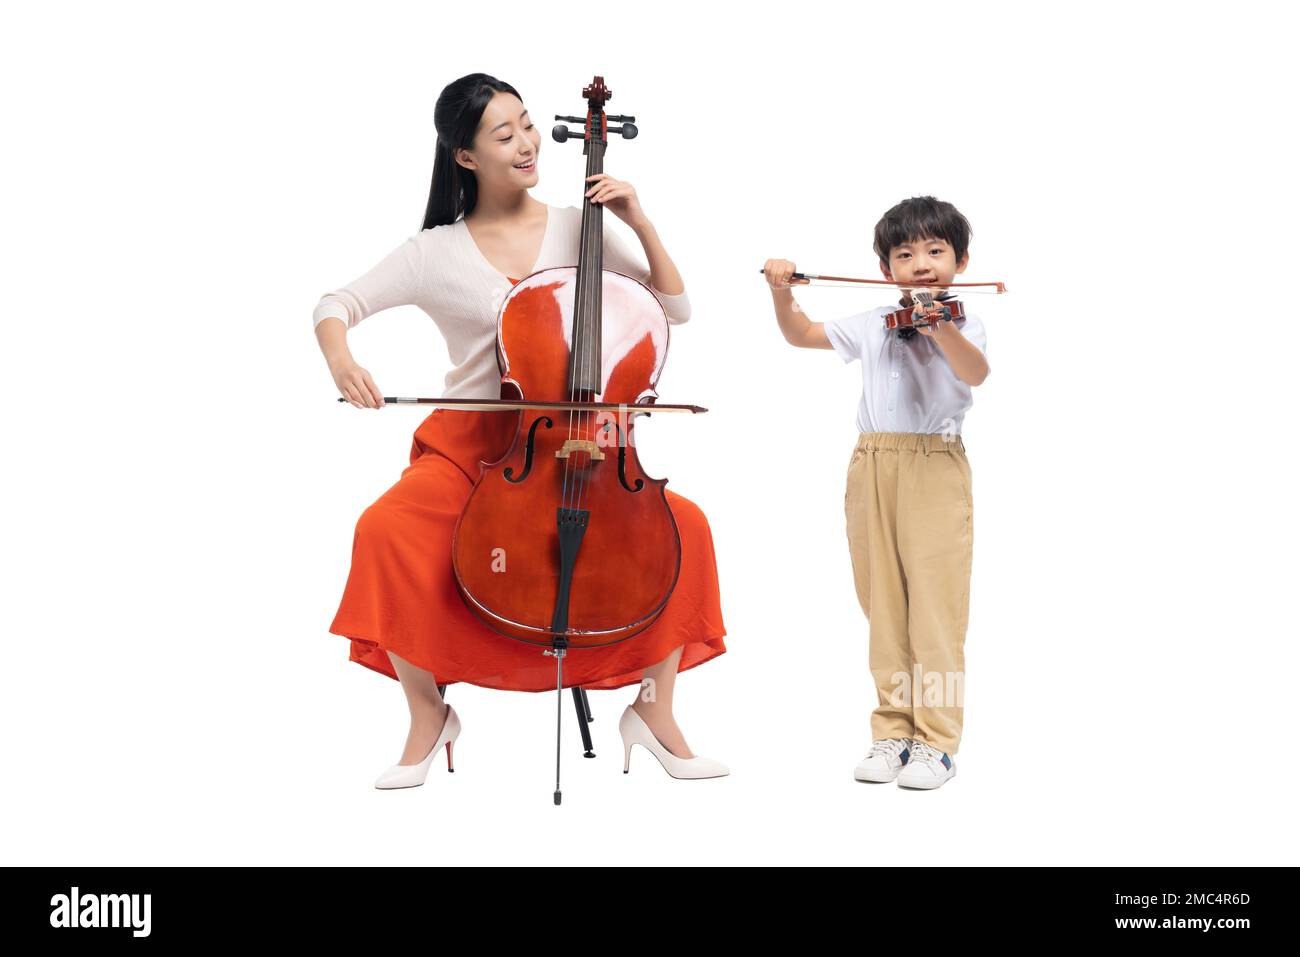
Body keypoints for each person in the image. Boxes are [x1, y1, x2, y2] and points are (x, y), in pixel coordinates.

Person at [312, 73, 729, 788]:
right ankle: (427, 712)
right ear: (465, 157)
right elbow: (336, 302)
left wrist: (639, 219)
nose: (529, 143)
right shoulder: (435, 251)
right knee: (384, 530)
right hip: (470, 444)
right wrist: (340, 355)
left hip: (582, 441)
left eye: (529, 125)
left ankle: (653, 711)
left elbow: (677, 306)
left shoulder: (576, 225)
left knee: (683, 527)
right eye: (504, 135)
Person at [762, 195, 990, 790]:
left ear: (960, 262)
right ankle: (892, 730)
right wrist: (782, 291)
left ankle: (936, 741)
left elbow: (975, 373)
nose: (920, 265)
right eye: (905, 254)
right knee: (882, 606)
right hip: (872, 463)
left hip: (934, 465)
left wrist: (938, 324)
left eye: (935, 251)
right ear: (886, 269)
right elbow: (801, 334)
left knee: (935, 612)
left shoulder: (964, 321)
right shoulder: (872, 323)